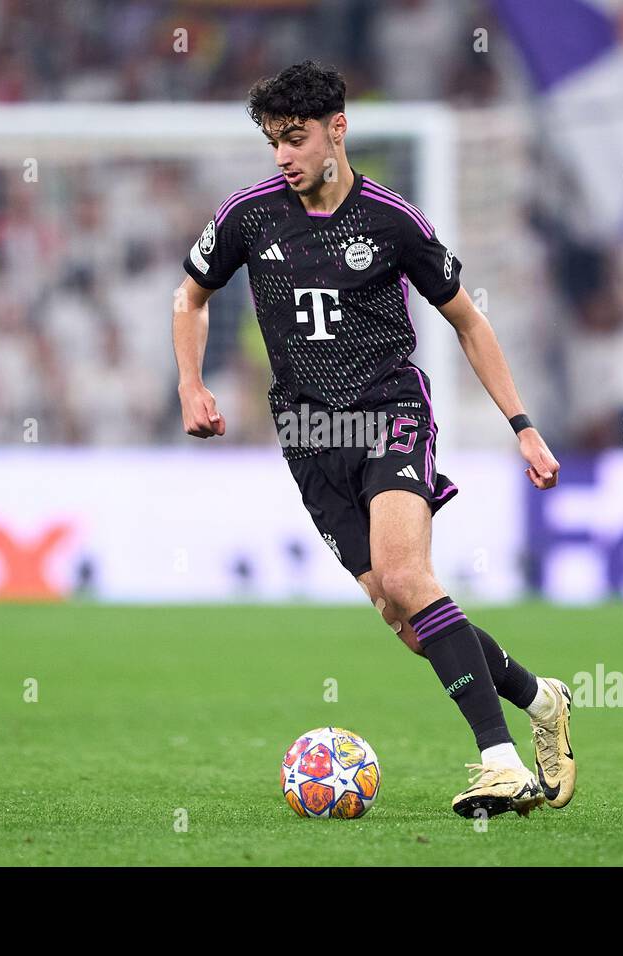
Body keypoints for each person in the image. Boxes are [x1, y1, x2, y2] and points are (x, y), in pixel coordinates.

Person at [172, 60, 574, 818]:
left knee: (407, 577)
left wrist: (522, 427)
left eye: (295, 139)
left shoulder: (392, 221)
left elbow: (468, 320)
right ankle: (538, 696)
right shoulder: (248, 216)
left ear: (338, 130)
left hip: (390, 413)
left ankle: (501, 764)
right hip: (309, 434)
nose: (283, 156)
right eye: (273, 143)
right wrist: (191, 383)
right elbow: (189, 298)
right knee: (407, 618)